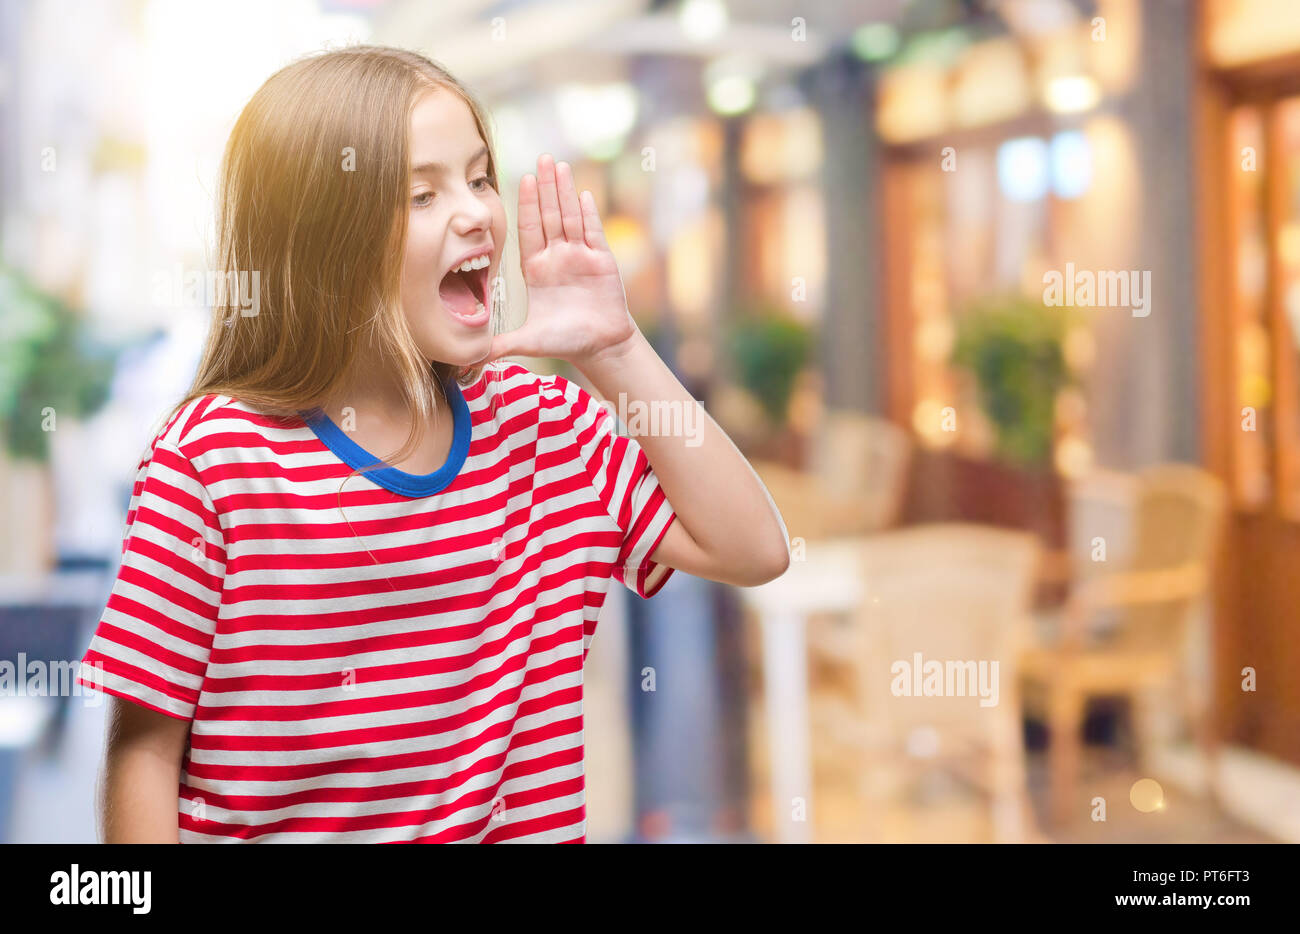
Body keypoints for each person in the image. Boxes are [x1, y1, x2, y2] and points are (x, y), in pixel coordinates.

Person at [76, 45, 789, 843]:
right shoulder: (211, 463)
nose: (477, 211)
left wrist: (614, 348)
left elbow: (754, 548)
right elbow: (143, 755)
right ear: (325, 246)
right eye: (423, 192)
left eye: (479, 177)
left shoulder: (545, 427)